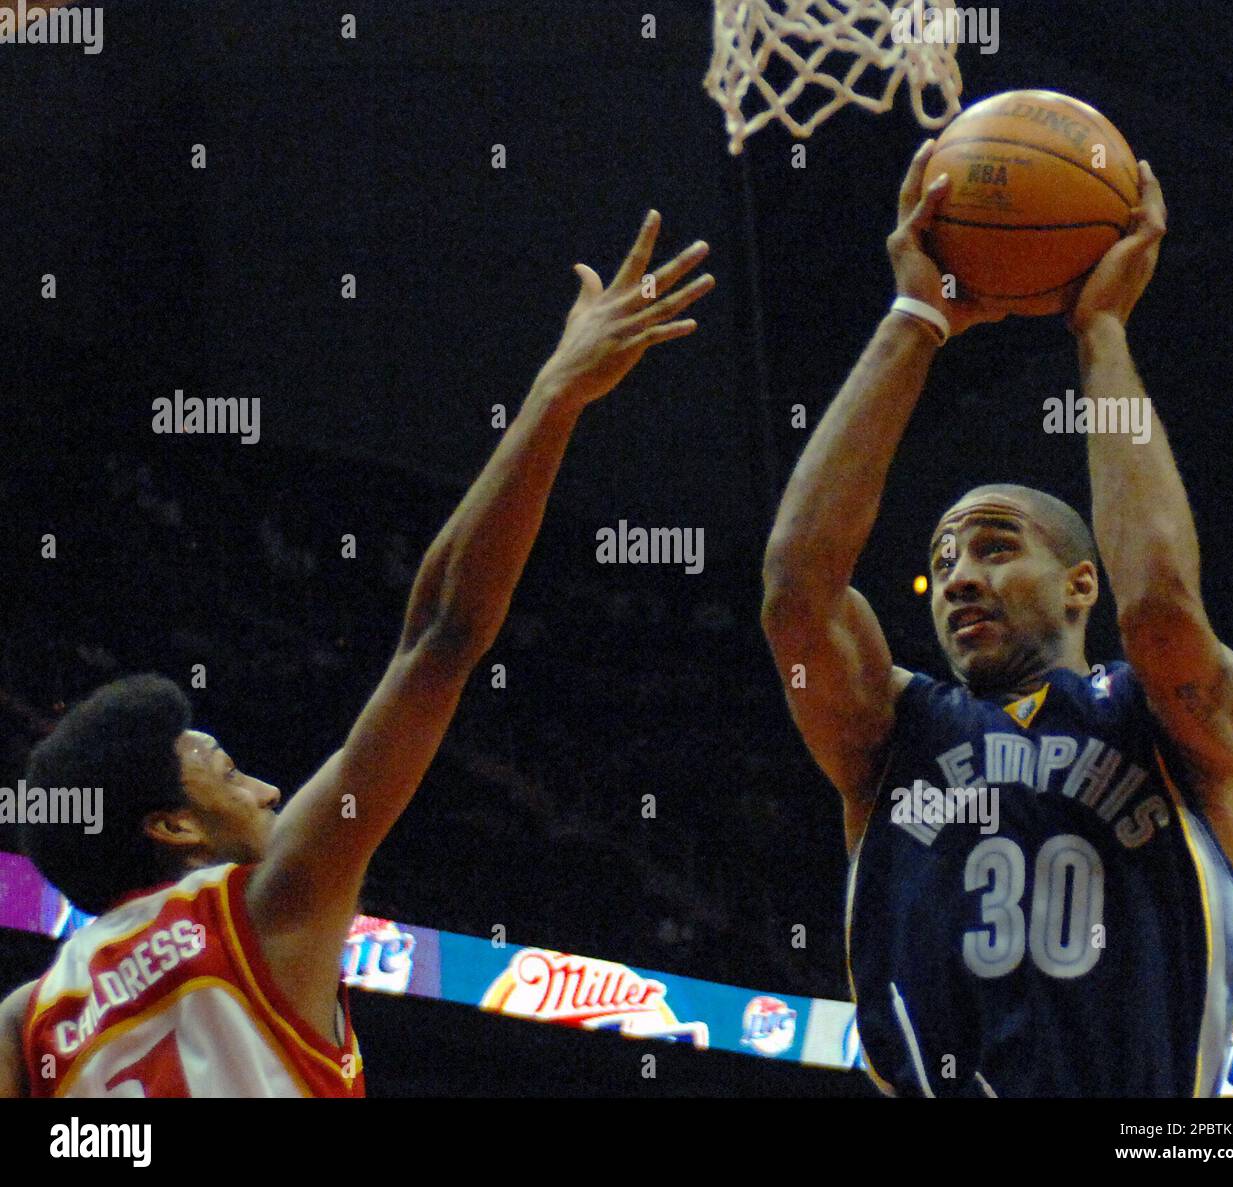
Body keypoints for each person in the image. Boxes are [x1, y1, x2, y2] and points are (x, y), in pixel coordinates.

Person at [0, 211, 713, 1097]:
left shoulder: (27, 1020)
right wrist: (555, 397)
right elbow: (439, 636)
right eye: (225, 770)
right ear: (174, 826)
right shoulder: (269, 905)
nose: (266, 788)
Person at [760, 141, 1233, 1096]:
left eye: (995, 546)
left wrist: (1104, 332)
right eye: (943, 558)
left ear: (1083, 583)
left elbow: (1159, 600)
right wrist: (917, 318)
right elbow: (795, 592)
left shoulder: (1175, 724)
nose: (957, 576)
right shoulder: (892, 732)